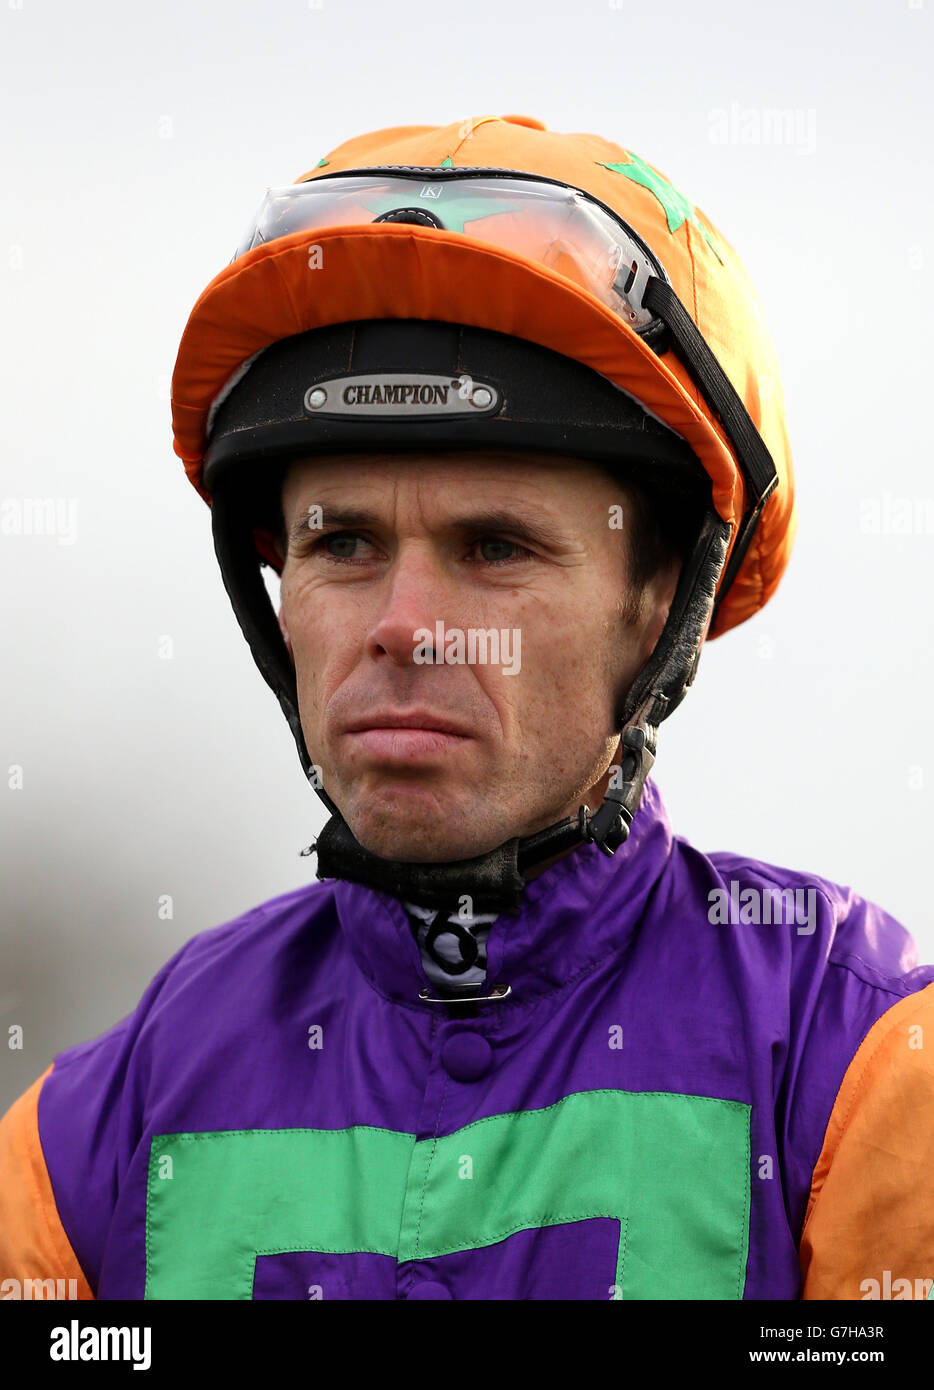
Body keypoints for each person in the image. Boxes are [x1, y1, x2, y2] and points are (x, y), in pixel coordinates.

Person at [2, 113, 932, 1303]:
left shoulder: (862, 1065)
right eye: (341, 543)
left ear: (657, 605)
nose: (405, 623)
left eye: (493, 546)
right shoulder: (80, 1147)